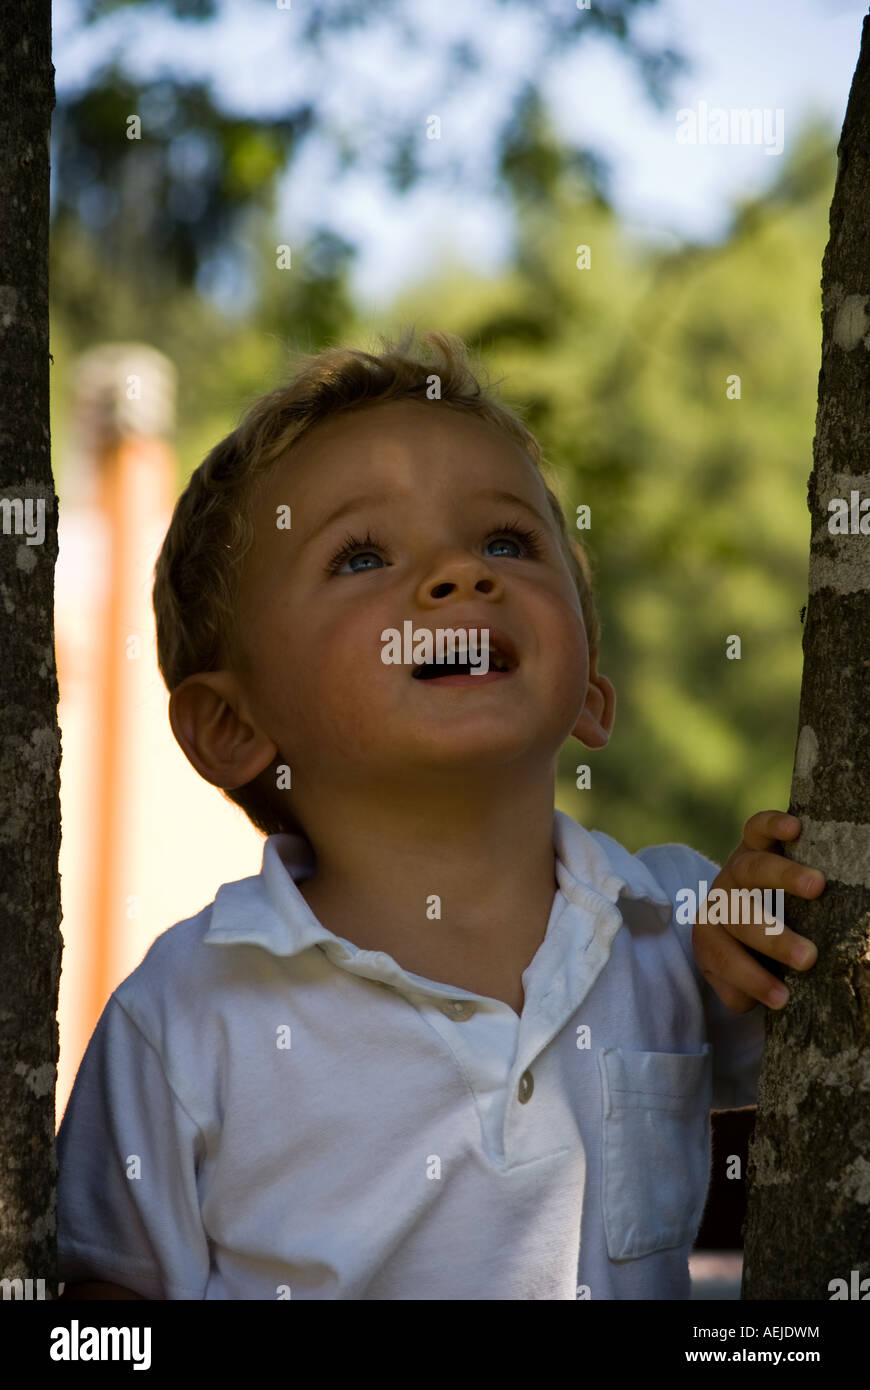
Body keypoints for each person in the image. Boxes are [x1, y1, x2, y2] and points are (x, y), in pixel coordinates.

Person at [57, 329, 823, 1300]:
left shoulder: (669, 921)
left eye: (505, 541)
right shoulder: (186, 1014)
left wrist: (768, 916)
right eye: (362, 554)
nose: (462, 576)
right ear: (231, 725)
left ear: (590, 691)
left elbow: (809, 1014)